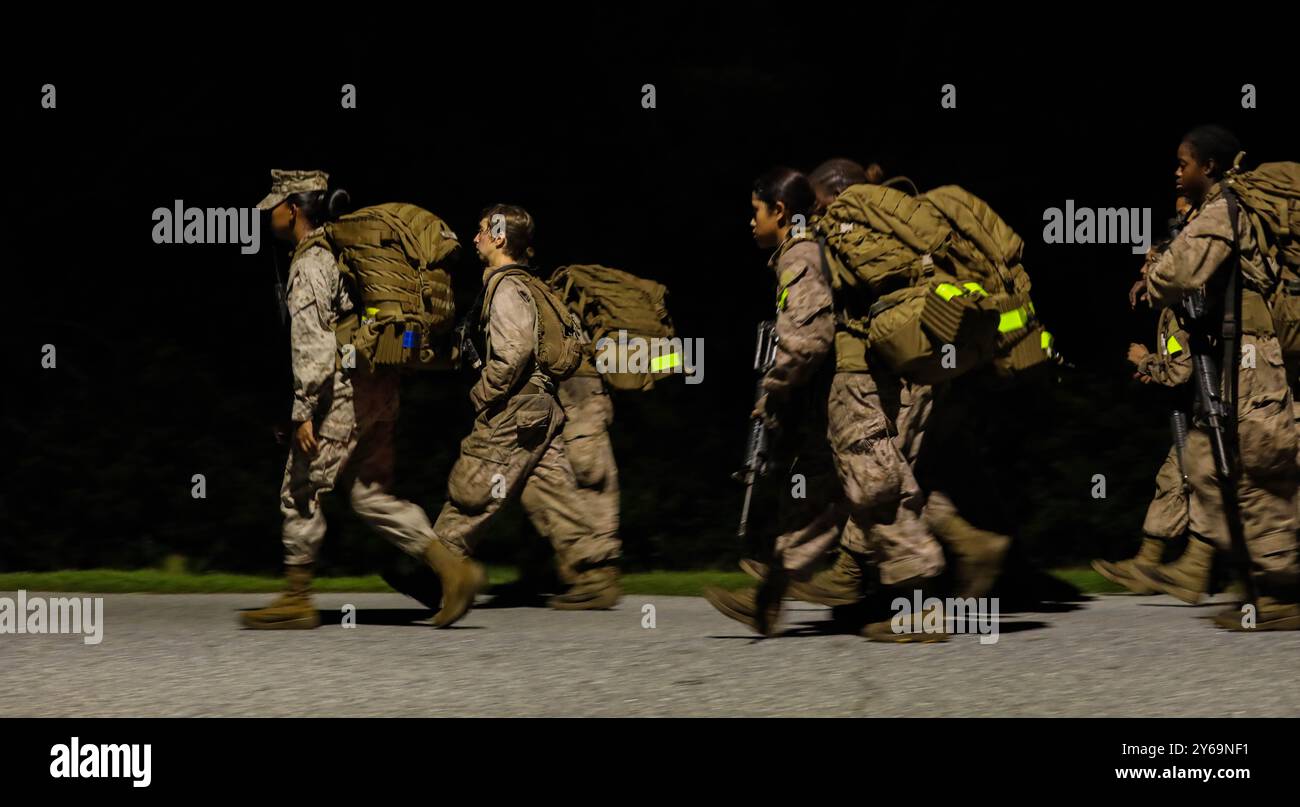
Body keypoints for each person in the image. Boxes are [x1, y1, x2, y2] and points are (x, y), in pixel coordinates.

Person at [242, 169, 439, 630]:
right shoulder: (344, 252)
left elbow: (312, 345)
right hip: (378, 389)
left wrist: (303, 412)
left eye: (274, 204)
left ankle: (297, 597)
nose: (268, 213)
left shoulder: (310, 264)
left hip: (340, 394)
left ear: (293, 208)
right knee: (371, 494)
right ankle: (451, 569)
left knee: (299, 490)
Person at [424, 204, 620, 628]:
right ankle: (593, 572)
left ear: (497, 238)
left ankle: (448, 572)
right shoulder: (531, 285)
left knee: (472, 490)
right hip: (542, 410)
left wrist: (483, 393)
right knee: (548, 486)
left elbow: (513, 353)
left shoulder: (507, 288)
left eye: (480, 230)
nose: (474, 237)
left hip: (516, 408)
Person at [1139, 125, 1300, 630]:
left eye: (1183, 163)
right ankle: (1238, 575)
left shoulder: (1224, 206)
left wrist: (1152, 273)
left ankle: (1281, 593)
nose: (1176, 172)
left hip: (1255, 361)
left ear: (1208, 167)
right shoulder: (1231, 207)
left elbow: (1178, 274)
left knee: (1259, 472)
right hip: (1239, 361)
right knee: (1206, 464)